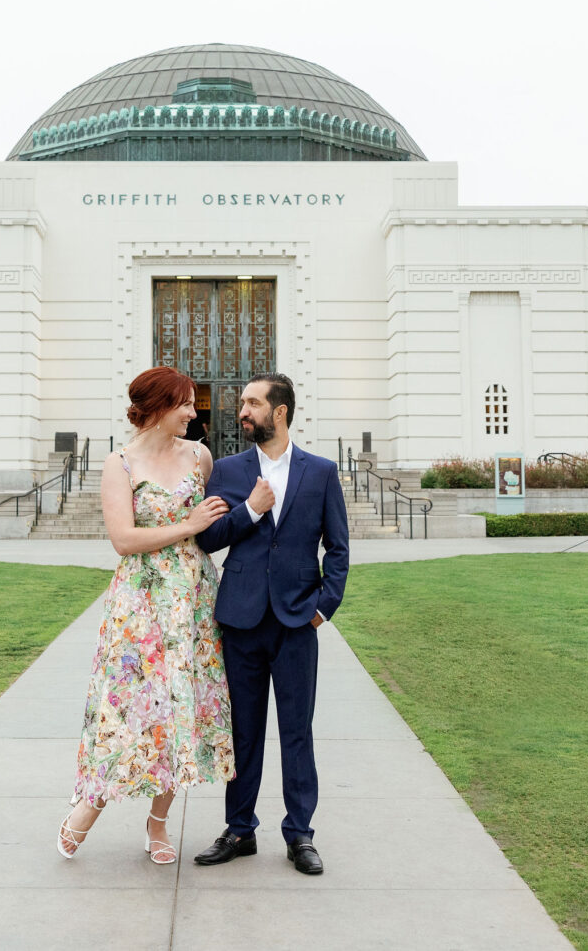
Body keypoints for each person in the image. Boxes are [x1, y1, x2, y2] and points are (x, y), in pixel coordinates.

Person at [59, 366, 235, 864]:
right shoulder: (119, 463)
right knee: (128, 709)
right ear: (158, 407)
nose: (192, 413)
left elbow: (214, 526)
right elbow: (124, 540)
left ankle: (157, 826)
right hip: (140, 604)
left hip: (194, 604)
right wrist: (188, 524)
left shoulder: (200, 456)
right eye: (184, 404)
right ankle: (88, 805)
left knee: (181, 713)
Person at [191, 373, 350, 876]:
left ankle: (300, 834)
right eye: (242, 403)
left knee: (297, 730)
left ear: (279, 412)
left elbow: (339, 549)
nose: (242, 410)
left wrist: (325, 606)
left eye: (252, 403)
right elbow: (209, 539)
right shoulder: (229, 470)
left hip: (298, 620)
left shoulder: (321, 472)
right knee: (244, 732)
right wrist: (250, 510)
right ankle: (239, 829)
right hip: (240, 618)